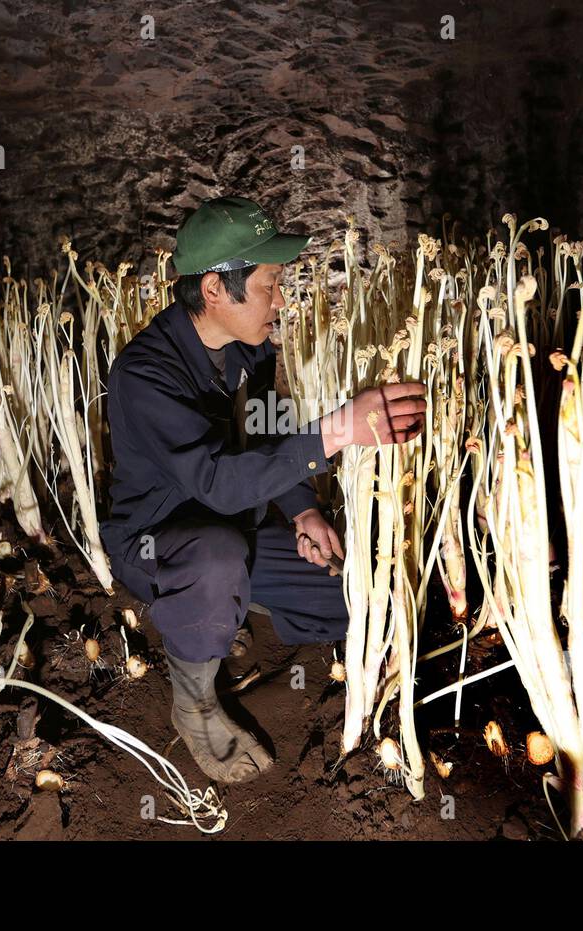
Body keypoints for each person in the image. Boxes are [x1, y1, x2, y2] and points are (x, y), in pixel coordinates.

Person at [100, 195, 425, 784]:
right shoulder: (145, 374)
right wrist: (339, 429)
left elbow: (265, 426)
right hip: (159, 544)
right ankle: (194, 700)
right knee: (215, 558)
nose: (281, 300)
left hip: (235, 531)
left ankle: (224, 604)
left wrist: (302, 508)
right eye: (271, 285)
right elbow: (220, 484)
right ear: (216, 291)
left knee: (348, 596)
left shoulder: (249, 349)